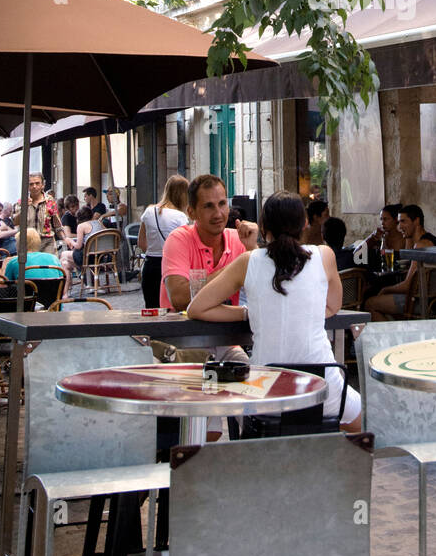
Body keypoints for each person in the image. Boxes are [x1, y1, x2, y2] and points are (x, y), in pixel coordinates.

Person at [188, 191, 362, 431]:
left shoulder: (248, 261)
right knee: (362, 424)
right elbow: (333, 306)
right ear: (304, 224)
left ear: (263, 226)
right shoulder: (324, 255)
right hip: (322, 386)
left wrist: (249, 313)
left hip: (265, 394)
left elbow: (196, 308)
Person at [160, 174, 259, 312]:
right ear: (191, 213)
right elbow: (179, 299)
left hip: (227, 330)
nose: (218, 214)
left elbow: (267, 292)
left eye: (222, 204)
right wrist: (236, 270)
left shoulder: (240, 240)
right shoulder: (178, 239)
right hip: (182, 330)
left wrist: (253, 249)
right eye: (208, 206)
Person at [364, 204, 436, 320]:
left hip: (424, 301)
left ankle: (394, 338)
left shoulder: (422, 245)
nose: (399, 227)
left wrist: (385, 290)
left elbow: (407, 286)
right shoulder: (426, 240)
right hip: (433, 298)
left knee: (370, 304)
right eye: (399, 222)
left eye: (403, 222)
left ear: (417, 221)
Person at [138, 176, 190, 309]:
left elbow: (141, 243)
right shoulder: (180, 217)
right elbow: (185, 245)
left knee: (151, 308)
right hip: (172, 268)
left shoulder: (149, 212)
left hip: (150, 266)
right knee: (172, 309)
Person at [4, 228, 66, 292]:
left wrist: (4, 267)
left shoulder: (15, 261)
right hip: (53, 300)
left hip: (27, 300)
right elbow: (62, 286)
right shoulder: (54, 258)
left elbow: (5, 287)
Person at [17, 172, 65, 254]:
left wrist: (65, 238)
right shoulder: (22, 201)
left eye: (37, 183)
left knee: (48, 265)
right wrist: (24, 208)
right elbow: (15, 222)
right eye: (31, 184)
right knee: (30, 266)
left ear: (43, 185)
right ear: (28, 186)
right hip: (28, 243)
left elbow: (57, 225)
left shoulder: (50, 201)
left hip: (47, 242)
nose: (34, 186)